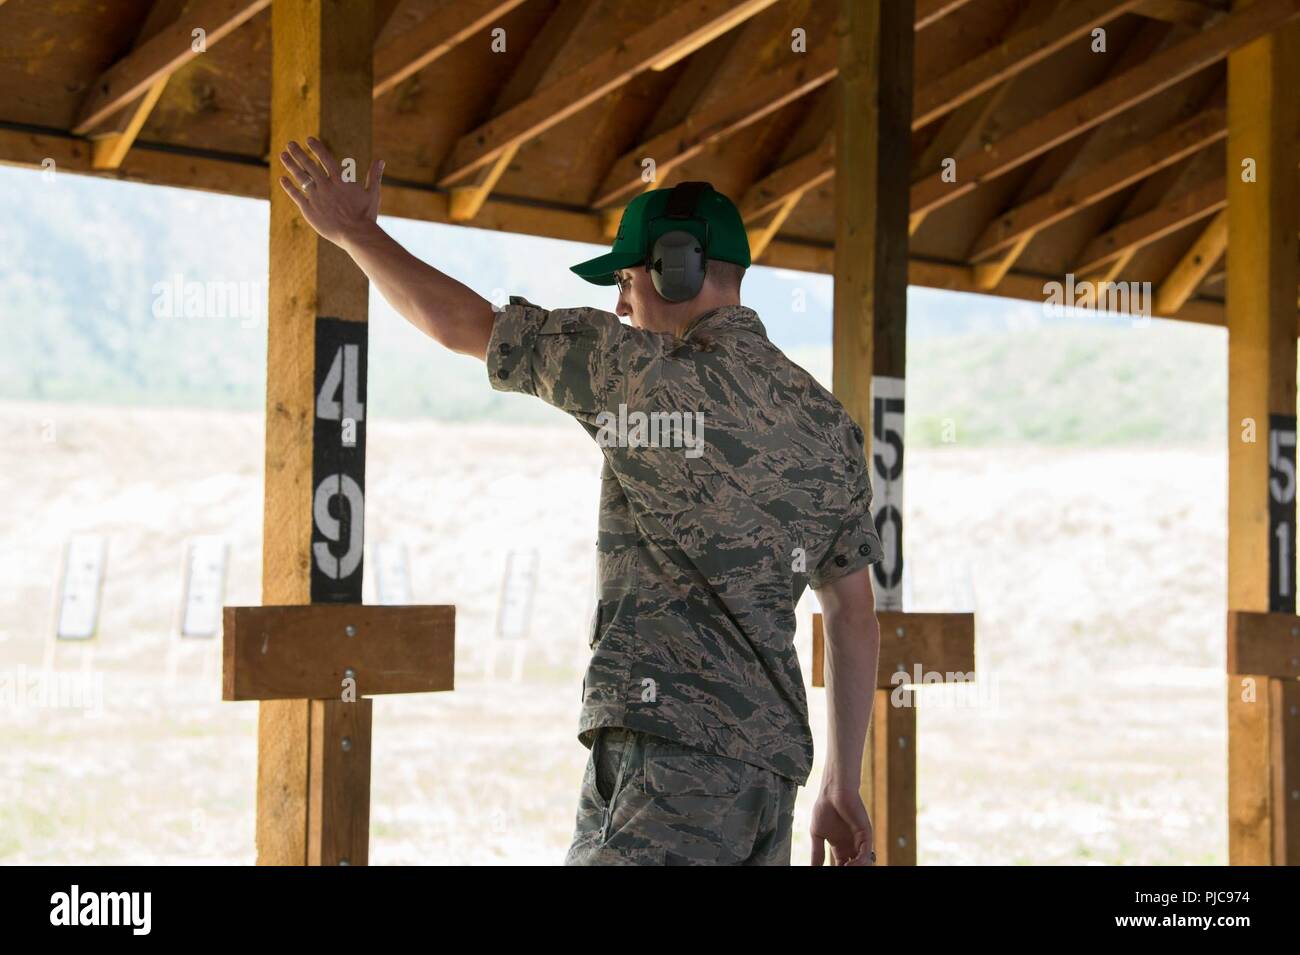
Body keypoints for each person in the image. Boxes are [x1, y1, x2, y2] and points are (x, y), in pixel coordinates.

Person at [277, 138, 884, 866]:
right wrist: (841, 782)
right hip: (769, 784)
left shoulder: (634, 371)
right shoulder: (830, 426)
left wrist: (356, 233)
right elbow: (853, 614)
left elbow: (462, 324)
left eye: (627, 280)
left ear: (677, 267)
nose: (621, 305)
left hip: (665, 766)